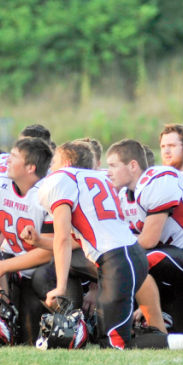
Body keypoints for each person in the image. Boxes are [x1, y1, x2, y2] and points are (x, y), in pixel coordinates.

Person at [36, 141, 147, 349]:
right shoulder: (99, 176)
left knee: (115, 344)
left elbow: (62, 238)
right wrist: (38, 241)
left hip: (118, 259)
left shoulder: (61, 179)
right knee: (109, 337)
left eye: (54, 162)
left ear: (66, 163)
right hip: (127, 255)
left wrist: (60, 286)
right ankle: (181, 341)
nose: (51, 168)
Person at [105, 139, 183, 331]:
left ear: (133, 165)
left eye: (113, 165)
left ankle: (147, 323)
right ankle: (150, 319)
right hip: (176, 264)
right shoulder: (125, 194)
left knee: (135, 258)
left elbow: (148, 240)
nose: (108, 171)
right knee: (182, 333)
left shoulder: (158, 179)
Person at [0, 137, 53, 343]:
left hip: (44, 269)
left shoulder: (48, 194)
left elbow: (49, 250)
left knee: (30, 336)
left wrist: (2, 267)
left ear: (30, 167)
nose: (6, 160)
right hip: (12, 261)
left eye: (14, 157)